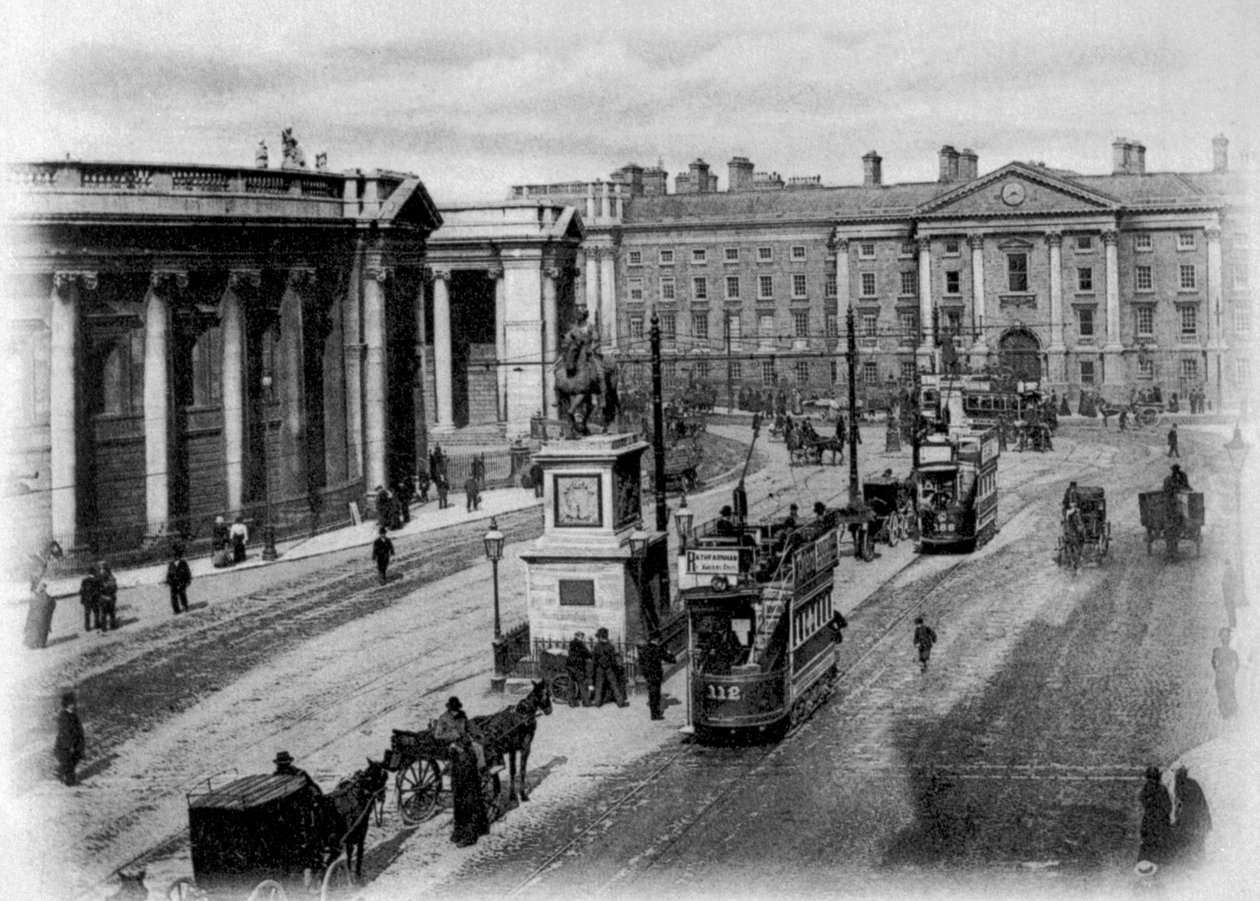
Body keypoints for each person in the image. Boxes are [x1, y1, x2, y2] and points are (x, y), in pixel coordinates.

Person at [448, 732, 489, 847]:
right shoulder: (453, 749)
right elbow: (453, 767)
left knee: (469, 806)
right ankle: (459, 831)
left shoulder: (475, 748)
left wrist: (482, 771)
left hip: (470, 782)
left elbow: (481, 766)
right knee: (458, 806)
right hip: (459, 781)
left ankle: (470, 836)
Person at [1171, 766, 1211, 866]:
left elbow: (1179, 803)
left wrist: (1176, 821)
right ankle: (1198, 864)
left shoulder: (1180, 784)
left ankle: (1188, 864)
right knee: (1198, 843)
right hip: (1200, 819)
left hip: (1188, 820)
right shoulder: (1193, 783)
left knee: (1186, 842)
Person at [1137, 766, 1172, 869]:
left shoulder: (1145, 788)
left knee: (1147, 847)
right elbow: (1168, 806)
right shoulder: (1162, 789)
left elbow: (1142, 801)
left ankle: (1145, 868)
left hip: (1148, 822)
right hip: (1161, 823)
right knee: (1160, 848)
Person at [637, 632, 677, 720]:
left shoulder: (644, 649)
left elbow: (640, 661)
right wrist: (671, 654)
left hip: (648, 674)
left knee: (651, 694)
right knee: (656, 694)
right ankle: (655, 715)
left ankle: (653, 713)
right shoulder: (658, 649)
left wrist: (644, 672)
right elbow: (670, 659)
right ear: (657, 639)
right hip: (656, 674)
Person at [53, 690, 85, 786]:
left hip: (75, 743)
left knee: (73, 760)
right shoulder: (64, 716)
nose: (74, 705)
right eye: (72, 703)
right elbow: (65, 732)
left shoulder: (73, 715)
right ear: (67, 704)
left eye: (74, 703)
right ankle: (69, 781)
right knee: (69, 763)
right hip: (67, 744)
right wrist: (69, 745)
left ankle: (61, 772)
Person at [591, 628, 627, 708]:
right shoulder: (610, 646)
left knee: (599, 686)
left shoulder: (596, 646)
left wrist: (594, 669)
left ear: (600, 637)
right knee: (614, 685)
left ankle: (597, 703)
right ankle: (620, 702)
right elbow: (613, 659)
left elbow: (594, 660)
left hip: (600, 668)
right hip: (609, 668)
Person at [1211, 627, 1239, 720]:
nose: (1225, 639)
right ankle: (1225, 715)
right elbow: (1213, 662)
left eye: (1227, 636)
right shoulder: (1216, 651)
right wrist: (1218, 670)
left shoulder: (1233, 652)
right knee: (1221, 695)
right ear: (1220, 638)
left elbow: (1237, 664)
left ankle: (1232, 714)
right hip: (1220, 675)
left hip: (1228, 676)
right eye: (1223, 636)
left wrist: (1232, 672)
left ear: (1229, 638)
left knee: (1230, 694)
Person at [565, 632, 592, 707]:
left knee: (571, 684)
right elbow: (588, 654)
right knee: (583, 684)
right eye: (582, 637)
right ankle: (586, 702)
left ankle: (571, 702)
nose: (583, 638)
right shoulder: (580, 644)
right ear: (579, 636)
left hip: (570, 666)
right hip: (578, 667)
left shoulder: (571, 643)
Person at [164, 549, 192, 615]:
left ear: (179, 556)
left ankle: (185, 606)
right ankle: (176, 609)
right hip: (173, 583)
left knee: (182, 594)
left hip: (181, 582)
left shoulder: (183, 563)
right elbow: (169, 574)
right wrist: (168, 581)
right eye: (174, 556)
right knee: (174, 596)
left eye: (177, 556)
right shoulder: (171, 564)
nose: (176, 557)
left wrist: (188, 581)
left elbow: (188, 572)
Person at [97, 562, 118, 632]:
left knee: (112, 613)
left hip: (110, 598)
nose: (102, 571)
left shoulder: (111, 578)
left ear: (107, 570)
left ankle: (113, 625)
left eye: (104, 570)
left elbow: (115, 588)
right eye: (101, 569)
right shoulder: (98, 579)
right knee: (103, 614)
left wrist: (111, 596)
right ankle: (104, 627)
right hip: (103, 599)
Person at [80, 565, 101, 633]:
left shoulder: (84, 580)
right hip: (94, 600)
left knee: (87, 614)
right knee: (96, 612)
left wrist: (82, 600)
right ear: (94, 573)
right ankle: (96, 624)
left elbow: (81, 591)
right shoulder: (97, 580)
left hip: (87, 600)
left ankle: (87, 627)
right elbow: (99, 591)